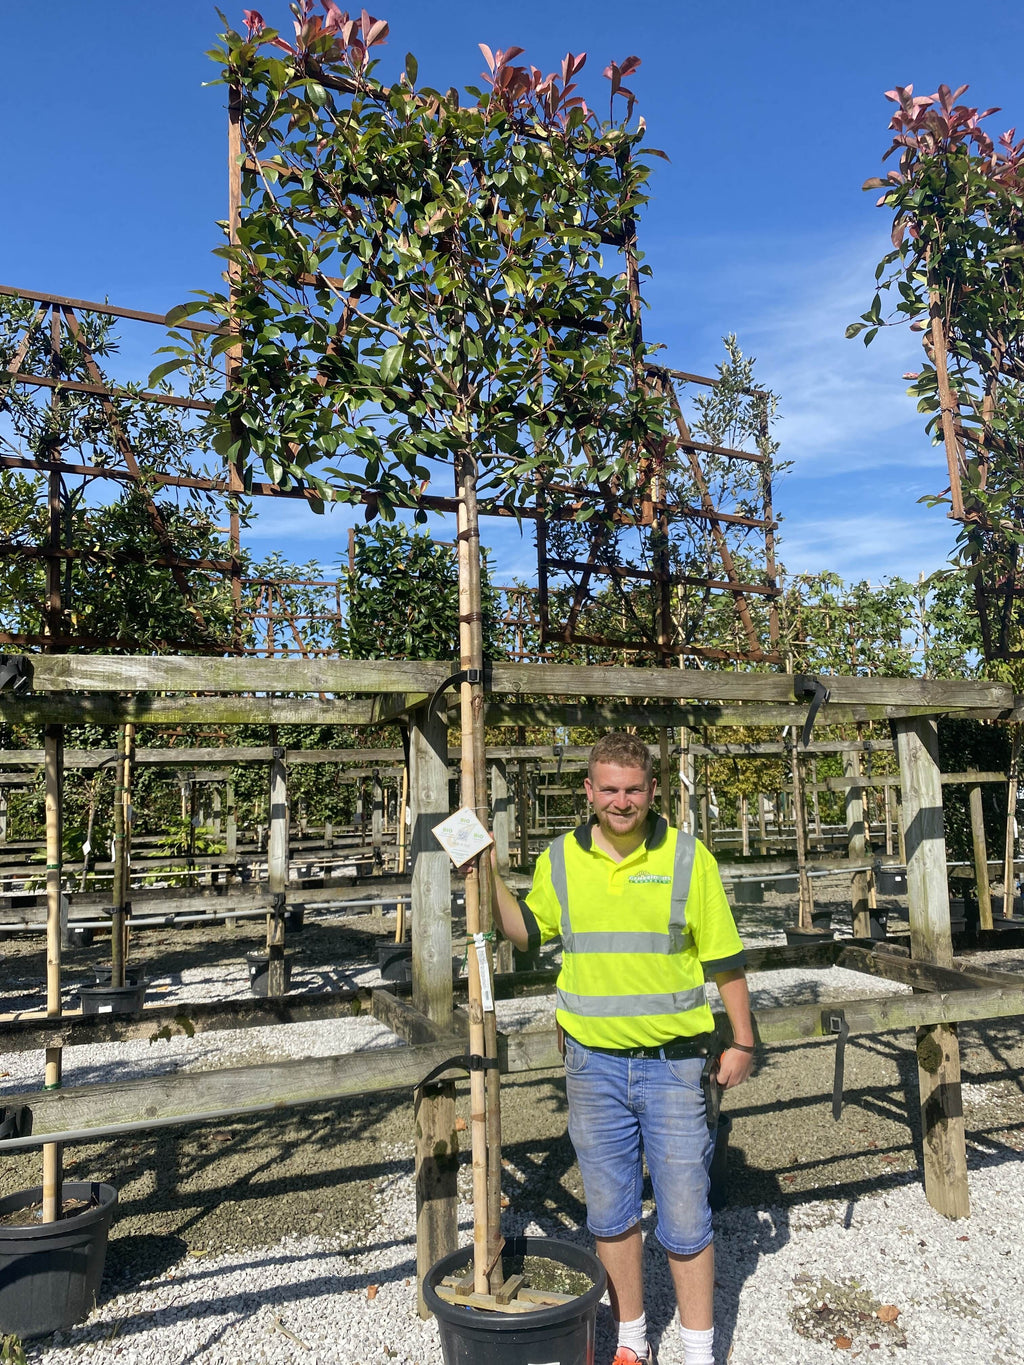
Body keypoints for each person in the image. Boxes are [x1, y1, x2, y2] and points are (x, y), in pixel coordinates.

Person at [490, 731, 754, 1365]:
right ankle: (631, 1338)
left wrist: (744, 1038)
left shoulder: (690, 860)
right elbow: (525, 932)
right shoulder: (560, 859)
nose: (621, 800)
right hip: (591, 1067)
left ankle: (697, 1348)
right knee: (610, 1213)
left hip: (674, 1065)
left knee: (686, 1216)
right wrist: (486, 871)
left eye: (633, 789)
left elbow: (725, 960)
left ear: (653, 790)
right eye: (608, 788)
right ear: (588, 791)